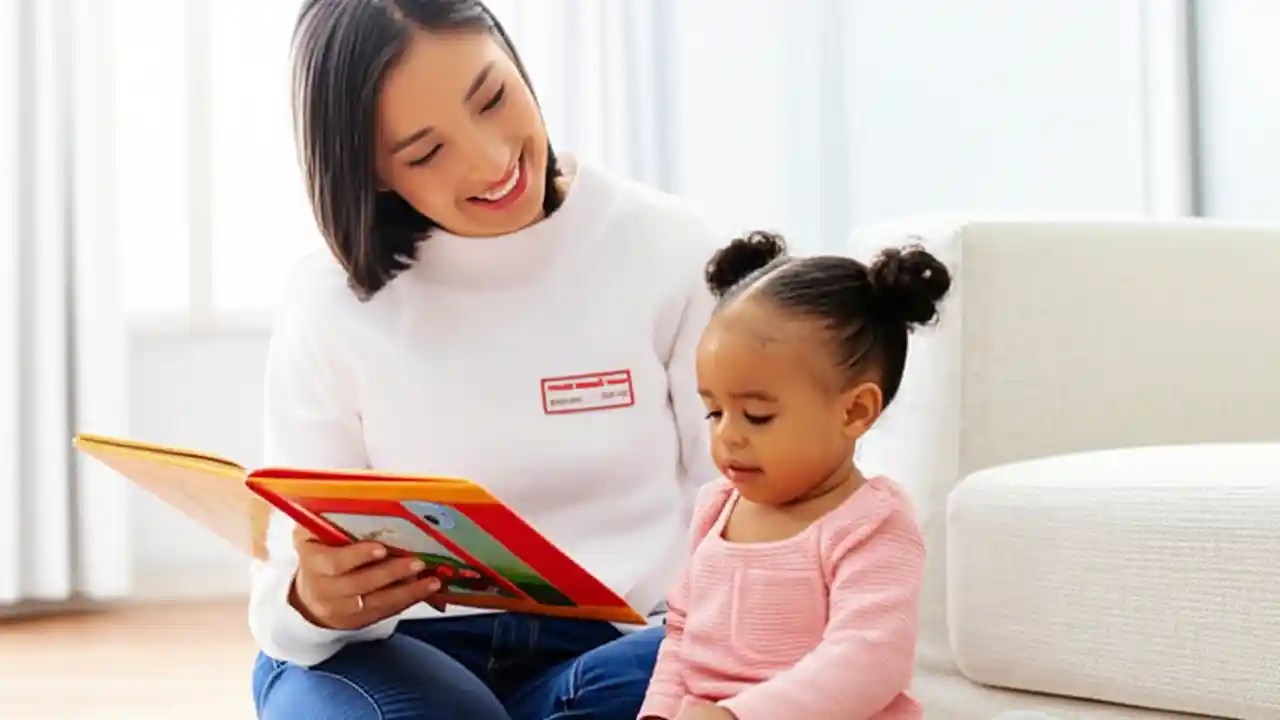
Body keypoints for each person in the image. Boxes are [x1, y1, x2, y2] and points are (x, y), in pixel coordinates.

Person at [248, 1, 722, 718]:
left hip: (616, 647)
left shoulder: (669, 248)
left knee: (729, 659)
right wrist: (313, 602)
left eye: (493, 98)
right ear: (372, 172)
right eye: (424, 153)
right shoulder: (329, 299)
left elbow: (740, 494)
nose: (492, 159)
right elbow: (283, 592)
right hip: (393, 653)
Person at [638, 231, 948, 719]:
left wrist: (740, 715)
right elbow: (680, 634)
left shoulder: (870, 524)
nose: (728, 437)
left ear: (855, 412)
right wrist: (658, 713)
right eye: (715, 413)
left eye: (757, 416)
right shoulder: (718, 507)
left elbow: (869, 659)